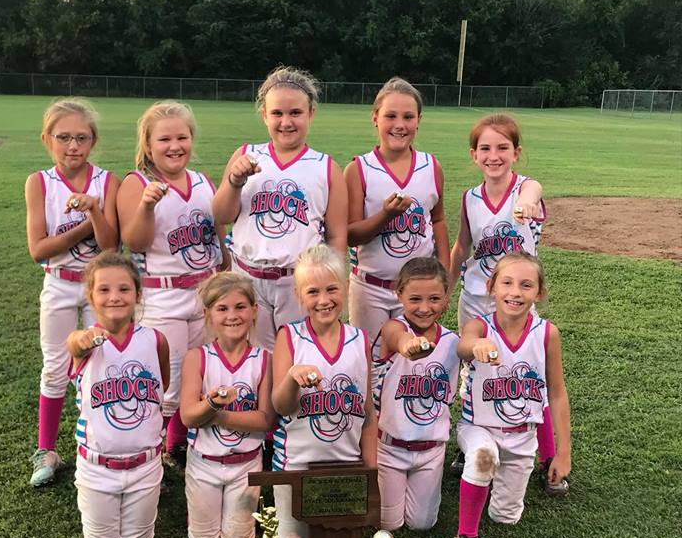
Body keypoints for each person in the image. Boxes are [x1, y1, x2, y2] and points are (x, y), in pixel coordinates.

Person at [446, 113, 567, 496]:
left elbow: (533, 189)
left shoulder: (525, 189)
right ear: (473, 153)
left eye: (502, 148)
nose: (493, 155)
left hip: (514, 302)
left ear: (516, 152)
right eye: (485, 148)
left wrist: (529, 203)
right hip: (477, 298)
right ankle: (474, 446)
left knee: (530, 379)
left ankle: (548, 456)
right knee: (474, 373)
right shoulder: (469, 198)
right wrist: (447, 287)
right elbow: (463, 246)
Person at [117, 101, 226, 474]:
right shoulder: (136, 183)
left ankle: (176, 445)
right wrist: (146, 207)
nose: (174, 145)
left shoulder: (201, 181)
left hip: (205, 290)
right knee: (167, 379)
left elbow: (216, 237)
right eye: (164, 139)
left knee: (198, 373)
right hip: (161, 294)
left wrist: (224, 273)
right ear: (148, 145)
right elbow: (134, 242)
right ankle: (153, 447)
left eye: (182, 137)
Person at [452, 252, 571, 538]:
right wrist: (475, 346)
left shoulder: (547, 334)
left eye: (526, 285)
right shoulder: (481, 325)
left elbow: (558, 394)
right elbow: (463, 344)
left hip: (522, 436)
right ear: (492, 287)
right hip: (478, 427)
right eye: (506, 283)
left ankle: (485, 486)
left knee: (505, 516)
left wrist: (562, 453)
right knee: (481, 458)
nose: (515, 292)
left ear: (539, 293)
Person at [213, 66, 347, 352]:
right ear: (264, 115)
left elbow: (336, 236)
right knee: (251, 360)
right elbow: (222, 216)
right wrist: (235, 181)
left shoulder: (325, 167)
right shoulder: (246, 155)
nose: (286, 122)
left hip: (298, 282)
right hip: (247, 279)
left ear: (311, 113)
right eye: (277, 113)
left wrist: (331, 284)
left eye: (295, 113)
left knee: (298, 358)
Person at [26, 98, 119, 487]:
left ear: (93, 140)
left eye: (81, 137)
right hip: (60, 284)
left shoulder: (107, 181)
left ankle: (96, 442)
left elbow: (112, 246)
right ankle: (45, 448)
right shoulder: (40, 182)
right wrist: (85, 225)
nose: (73, 146)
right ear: (47, 139)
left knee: (98, 365)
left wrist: (97, 210)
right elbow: (39, 250)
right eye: (63, 137)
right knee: (55, 366)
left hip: (99, 288)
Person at [271, 244, 377, 538]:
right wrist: (292, 376)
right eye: (313, 291)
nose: (323, 300)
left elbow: (368, 415)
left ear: (345, 287)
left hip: (344, 466)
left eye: (332, 289)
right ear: (298, 293)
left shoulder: (360, 340)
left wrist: (369, 474)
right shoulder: (289, 337)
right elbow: (281, 406)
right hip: (296, 465)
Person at [67, 252, 170, 538]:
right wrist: (84, 341)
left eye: (124, 289)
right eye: (104, 289)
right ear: (90, 296)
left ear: (138, 294)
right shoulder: (83, 342)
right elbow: (75, 342)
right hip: (97, 467)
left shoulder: (155, 339)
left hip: (145, 465)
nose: (114, 297)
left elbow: (162, 386)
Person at [345, 77, 450, 339]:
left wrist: (444, 279)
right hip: (371, 289)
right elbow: (350, 234)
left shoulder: (431, 166)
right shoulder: (359, 169)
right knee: (371, 364)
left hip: (419, 291)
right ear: (375, 118)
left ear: (419, 121)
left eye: (408, 117)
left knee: (413, 369)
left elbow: (437, 221)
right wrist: (386, 215)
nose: (400, 125)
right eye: (390, 116)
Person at [180, 272, 274, 538]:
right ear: (208, 314)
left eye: (240, 307)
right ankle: (198, 509)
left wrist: (217, 414)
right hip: (204, 462)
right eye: (222, 309)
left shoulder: (264, 359)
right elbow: (188, 417)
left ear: (254, 311)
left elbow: (265, 419)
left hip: (245, 463)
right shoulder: (197, 357)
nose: (232, 316)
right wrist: (211, 402)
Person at [372, 257, 459, 532]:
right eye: (414, 299)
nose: (424, 308)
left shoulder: (452, 341)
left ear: (446, 296)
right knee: (389, 524)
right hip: (390, 447)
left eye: (434, 298)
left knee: (422, 524)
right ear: (399, 295)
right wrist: (409, 344)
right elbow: (398, 337)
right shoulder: (392, 330)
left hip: (431, 449)